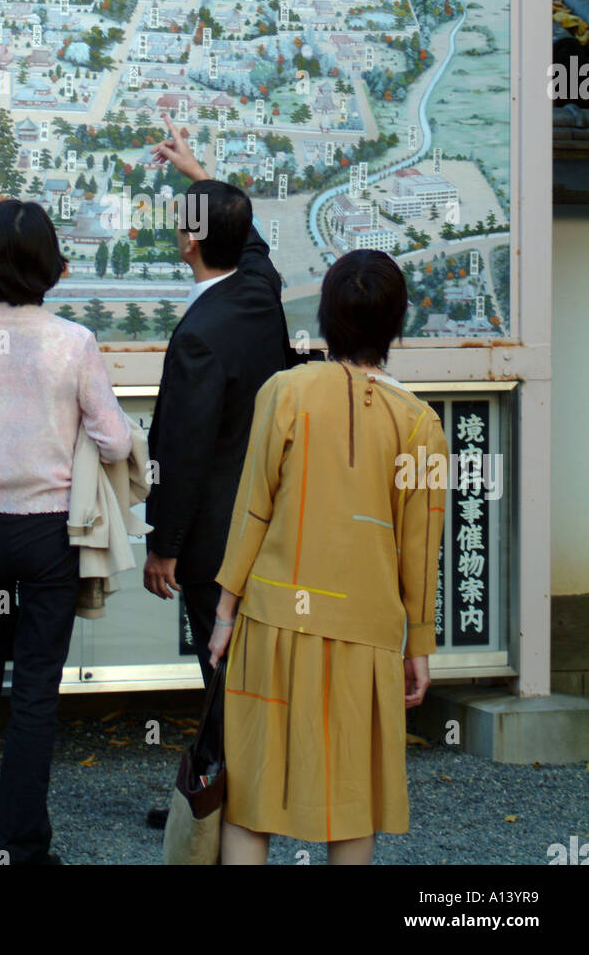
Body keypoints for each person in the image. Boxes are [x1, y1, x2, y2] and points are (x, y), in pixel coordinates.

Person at [209, 249, 449, 866]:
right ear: (396, 326)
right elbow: (420, 549)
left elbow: (252, 508)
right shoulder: (421, 424)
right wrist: (418, 645)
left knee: (250, 797)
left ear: (325, 316)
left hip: (272, 615)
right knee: (354, 800)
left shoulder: (284, 391)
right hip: (366, 632)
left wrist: (225, 611)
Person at [0, 199, 131, 866]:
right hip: (50, 533)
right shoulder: (74, 343)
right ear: (54, 266)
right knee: (37, 688)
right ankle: (21, 846)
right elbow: (114, 437)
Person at [143, 118, 297, 690]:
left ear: (189, 241)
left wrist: (164, 547)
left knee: (223, 675)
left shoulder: (198, 335)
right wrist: (201, 176)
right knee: (255, 672)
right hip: (267, 522)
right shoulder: (259, 291)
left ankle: (232, 776)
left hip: (213, 542)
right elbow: (246, 240)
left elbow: (185, 451)